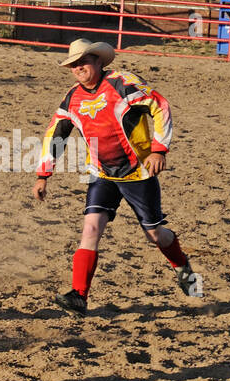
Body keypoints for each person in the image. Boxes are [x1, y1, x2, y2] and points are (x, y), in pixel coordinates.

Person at [33, 38, 199, 315]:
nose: (78, 67)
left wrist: (158, 150)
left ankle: (183, 267)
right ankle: (79, 296)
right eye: (73, 64)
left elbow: (160, 106)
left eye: (83, 61)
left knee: (156, 235)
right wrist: (43, 175)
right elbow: (56, 134)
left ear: (99, 61)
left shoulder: (123, 83)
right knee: (90, 230)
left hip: (138, 172)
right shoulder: (72, 97)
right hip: (101, 173)